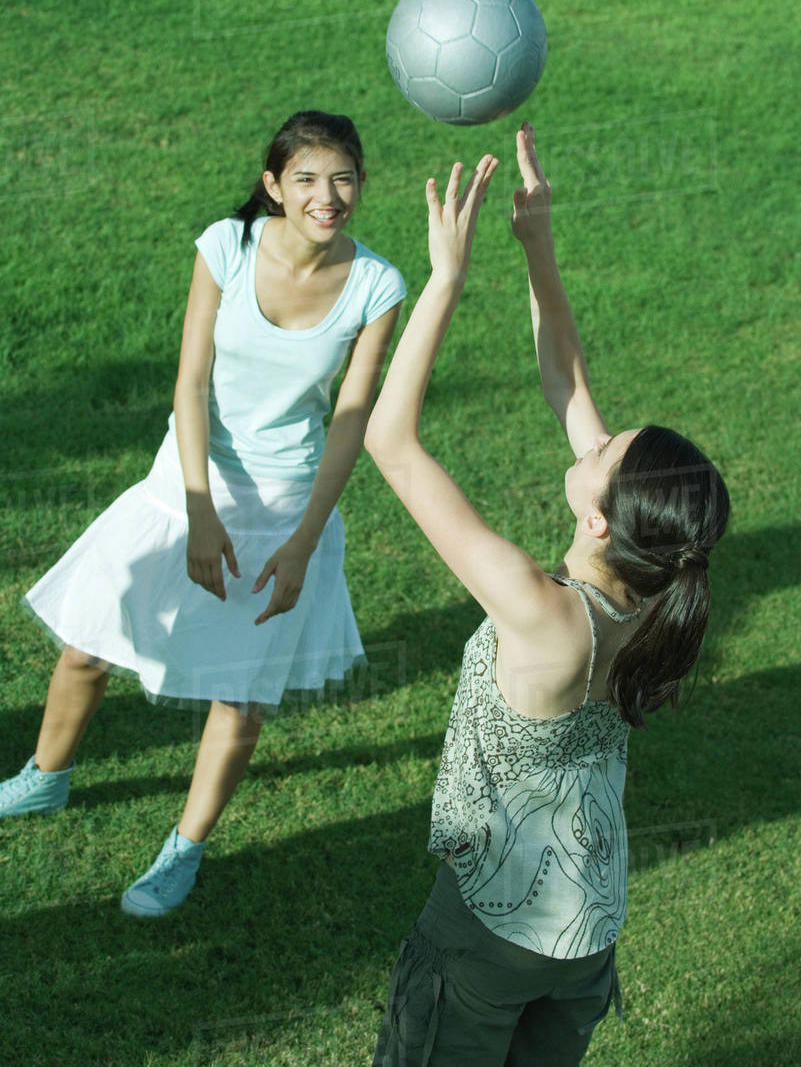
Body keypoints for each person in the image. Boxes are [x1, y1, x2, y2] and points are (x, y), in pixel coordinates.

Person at [365, 123, 729, 1066]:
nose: (591, 438)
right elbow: (565, 383)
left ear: (603, 518)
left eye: (603, 453)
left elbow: (390, 444)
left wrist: (442, 279)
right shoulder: (661, 579)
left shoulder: (541, 613)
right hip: (587, 924)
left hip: (491, 934)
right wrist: (537, 248)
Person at [0, 110, 405, 918]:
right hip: (186, 477)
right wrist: (196, 510)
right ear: (273, 187)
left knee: (239, 694)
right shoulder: (225, 246)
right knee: (87, 648)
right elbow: (189, 382)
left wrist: (304, 540)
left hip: (288, 500)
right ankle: (45, 779)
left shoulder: (376, 285)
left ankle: (182, 850)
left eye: (343, 179)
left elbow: (351, 420)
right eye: (307, 180)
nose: (328, 197)